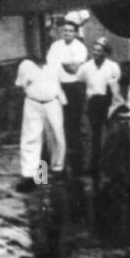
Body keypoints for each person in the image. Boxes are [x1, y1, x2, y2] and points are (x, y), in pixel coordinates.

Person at [14, 50, 66, 192]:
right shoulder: (25, 65)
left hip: (52, 103)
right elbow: (20, 86)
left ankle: (58, 167)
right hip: (33, 103)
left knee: (57, 136)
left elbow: (61, 81)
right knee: (31, 137)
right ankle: (29, 175)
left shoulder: (55, 62)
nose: (39, 54)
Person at [46, 14, 88, 178]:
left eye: (71, 31)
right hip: (57, 86)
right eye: (65, 30)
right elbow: (51, 66)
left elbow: (73, 69)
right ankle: (59, 166)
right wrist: (64, 63)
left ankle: (77, 167)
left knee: (74, 126)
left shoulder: (80, 48)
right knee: (57, 125)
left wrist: (62, 62)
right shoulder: (56, 46)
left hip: (74, 88)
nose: (67, 33)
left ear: (76, 33)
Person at [101, 59, 130, 191]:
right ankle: (111, 178)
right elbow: (107, 105)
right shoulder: (111, 85)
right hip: (116, 121)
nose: (126, 74)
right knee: (113, 150)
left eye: (129, 72)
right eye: (124, 71)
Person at [78, 39, 120, 179]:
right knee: (94, 136)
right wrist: (86, 103)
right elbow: (81, 85)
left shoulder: (113, 67)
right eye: (94, 50)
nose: (95, 53)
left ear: (105, 53)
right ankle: (94, 166)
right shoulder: (86, 67)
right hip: (93, 103)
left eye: (99, 51)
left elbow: (117, 88)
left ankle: (110, 166)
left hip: (108, 102)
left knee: (110, 134)